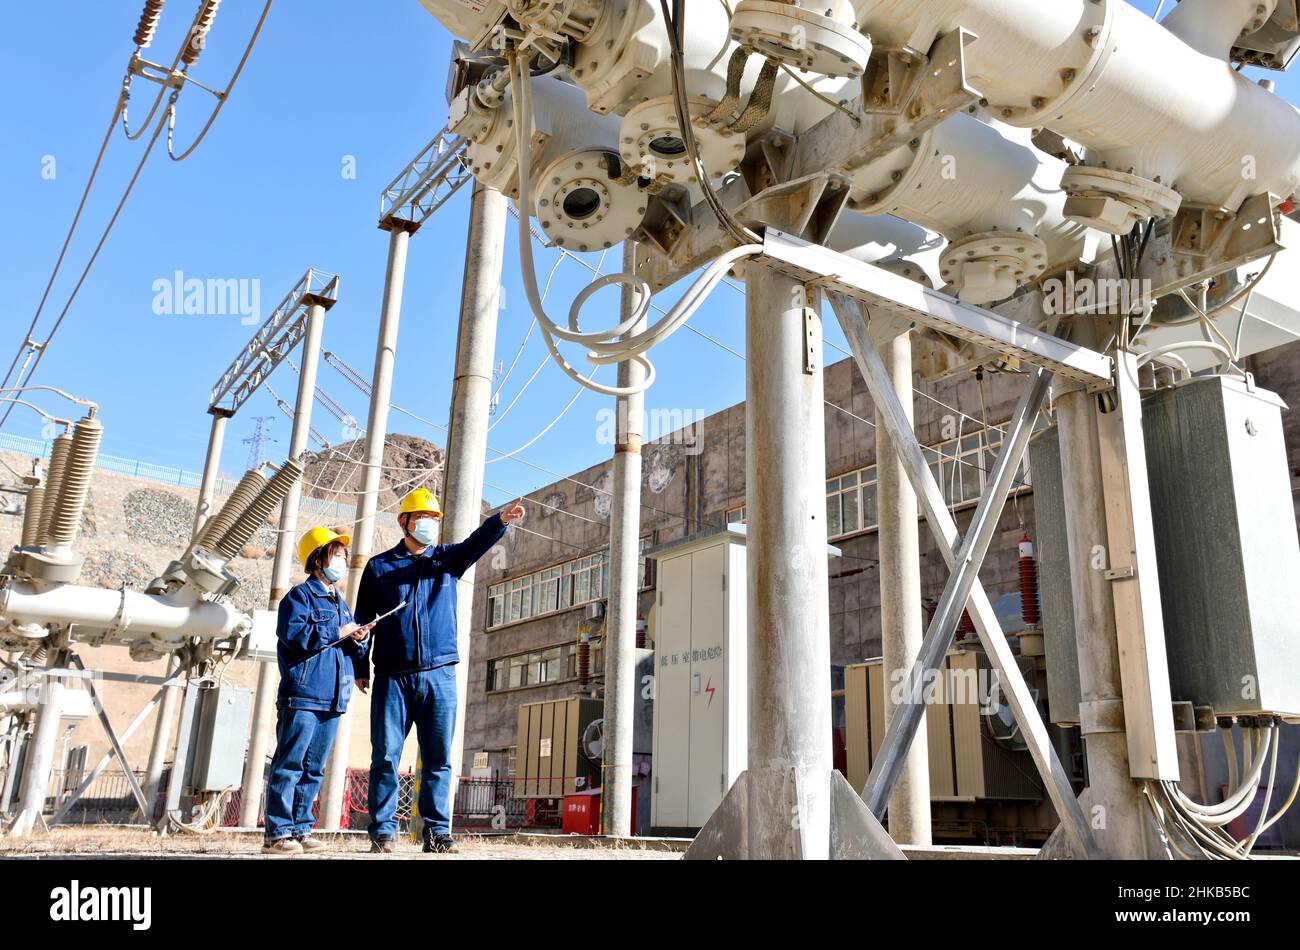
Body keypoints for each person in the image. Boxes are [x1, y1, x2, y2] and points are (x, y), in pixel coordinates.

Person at [357, 487, 525, 854]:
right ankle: (383, 832)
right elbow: (361, 623)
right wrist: (360, 666)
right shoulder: (378, 567)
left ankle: (436, 832)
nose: (430, 525)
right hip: (393, 676)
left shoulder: (446, 561)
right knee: (385, 755)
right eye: (423, 518)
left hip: (440, 674)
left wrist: (498, 522)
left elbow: (474, 544)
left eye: (434, 519)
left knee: (438, 759)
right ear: (404, 522)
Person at [262, 527, 370, 855]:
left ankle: (300, 828)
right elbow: (294, 635)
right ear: (317, 559)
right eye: (335, 554)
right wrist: (338, 631)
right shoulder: (299, 597)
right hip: (304, 693)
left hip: (334, 696)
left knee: (313, 768)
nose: (341, 560)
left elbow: (348, 650)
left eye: (342, 555)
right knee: (290, 763)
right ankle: (277, 835)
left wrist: (360, 639)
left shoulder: (341, 602)